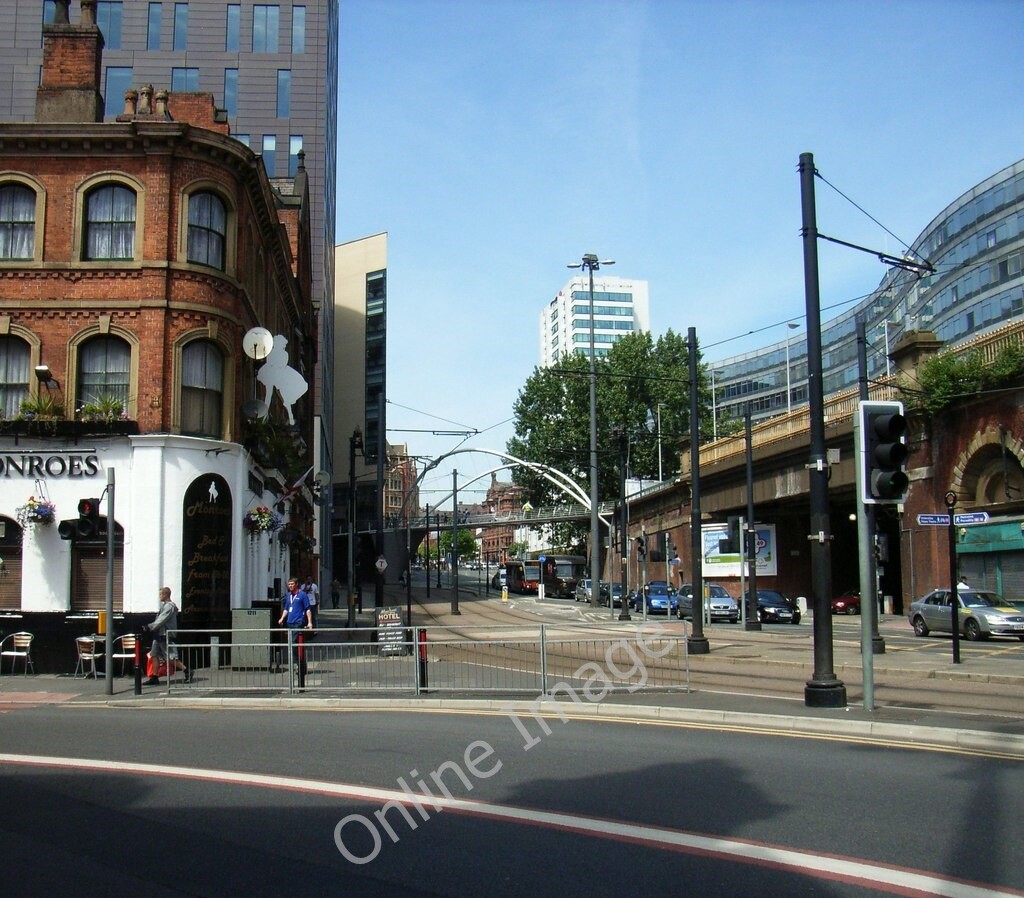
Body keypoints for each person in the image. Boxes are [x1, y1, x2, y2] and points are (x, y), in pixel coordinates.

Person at [143, 587, 192, 685]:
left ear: (165, 595)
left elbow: (161, 620)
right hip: (158, 634)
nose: (159, 596)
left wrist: (149, 626)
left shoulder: (169, 607)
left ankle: (187, 671)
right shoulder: (165, 606)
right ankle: (154, 677)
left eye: (161, 594)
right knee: (154, 655)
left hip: (165, 635)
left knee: (170, 657)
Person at [279, 578, 312, 674]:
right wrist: (282, 618)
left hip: (298, 622)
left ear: (296, 584)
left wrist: (309, 622)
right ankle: (301, 665)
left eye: (292, 584)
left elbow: (308, 609)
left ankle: (299, 664)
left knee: (293, 644)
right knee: (293, 645)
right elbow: (286, 609)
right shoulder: (288, 596)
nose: (290, 586)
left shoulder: (302, 595)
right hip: (290, 622)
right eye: (289, 584)